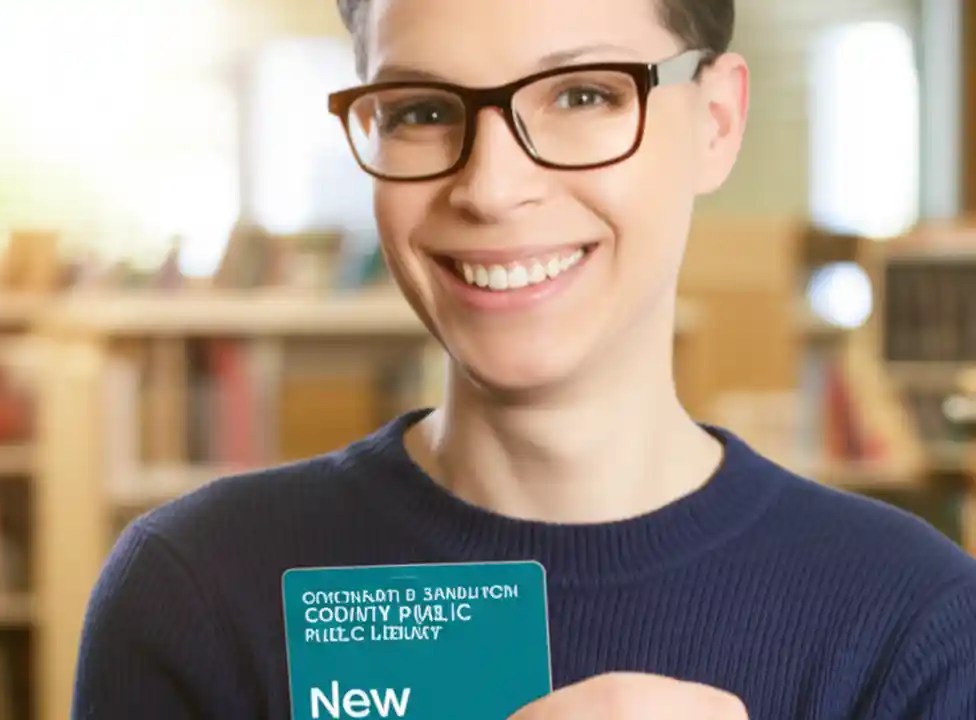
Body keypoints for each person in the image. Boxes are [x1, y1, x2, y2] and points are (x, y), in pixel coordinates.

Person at [72, 0, 976, 717]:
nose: (493, 190)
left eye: (583, 96)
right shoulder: (195, 594)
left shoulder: (915, 625)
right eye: (423, 111)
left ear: (717, 121)